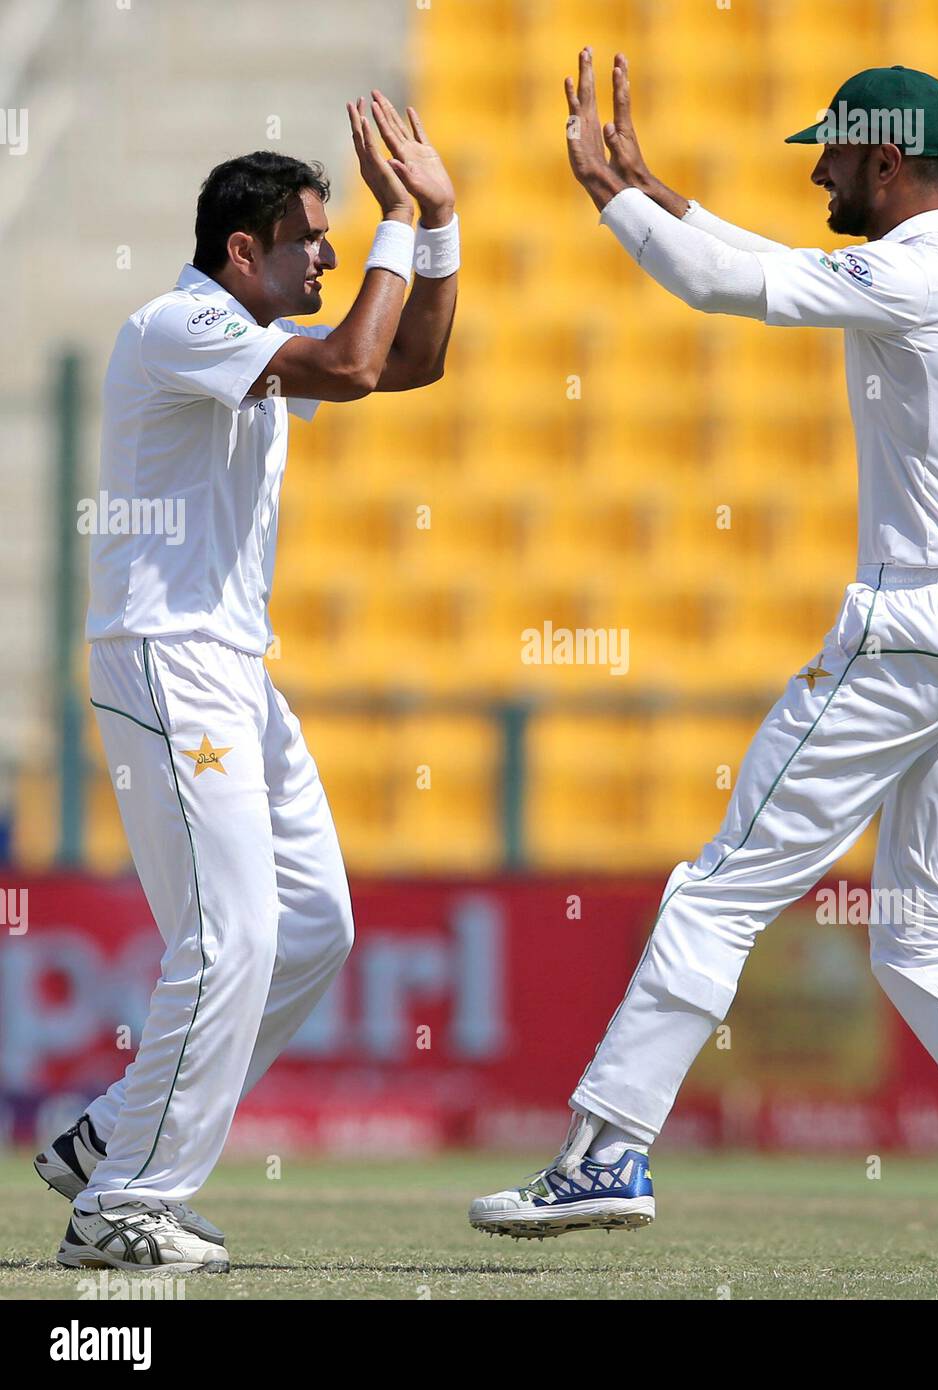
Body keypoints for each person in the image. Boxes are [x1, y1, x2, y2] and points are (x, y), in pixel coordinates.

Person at [469, 51, 938, 1276]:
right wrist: (655, 182)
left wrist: (605, 194)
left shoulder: (909, 277)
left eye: (834, 154)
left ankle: (605, 1151)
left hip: (915, 633)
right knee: (920, 934)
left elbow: (731, 282)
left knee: (719, 885)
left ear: (887, 160)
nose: (820, 171)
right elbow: (759, 253)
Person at [37, 92, 459, 1274]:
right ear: (242, 252)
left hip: (233, 670)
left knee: (313, 926)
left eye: (332, 238)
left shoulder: (253, 346)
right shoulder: (181, 324)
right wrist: (390, 221)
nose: (327, 255)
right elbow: (359, 363)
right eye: (309, 239)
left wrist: (438, 226)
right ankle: (125, 1203)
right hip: (166, 658)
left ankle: (117, 1137)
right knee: (228, 937)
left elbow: (413, 359)